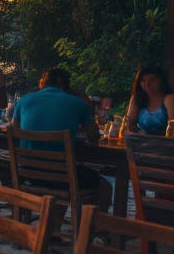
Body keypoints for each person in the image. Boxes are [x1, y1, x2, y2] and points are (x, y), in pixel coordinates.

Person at [12, 67, 111, 209]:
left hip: (28, 173)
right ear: (61, 83)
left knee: (69, 174)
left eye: (42, 79)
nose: (39, 81)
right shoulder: (77, 103)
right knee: (104, 186)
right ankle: (93, 228)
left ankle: (53, 224)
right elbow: (94, 137)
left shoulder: (24, 101)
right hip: (61, 176)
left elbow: (14, 130)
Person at [125, 66, 174, 135]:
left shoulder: (170, 98)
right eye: (143, 80)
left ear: (161, 81)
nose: (147, 83)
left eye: (152, 80)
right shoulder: (137, 98)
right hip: (141, 141)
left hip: (166, 142)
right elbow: (129, 124)